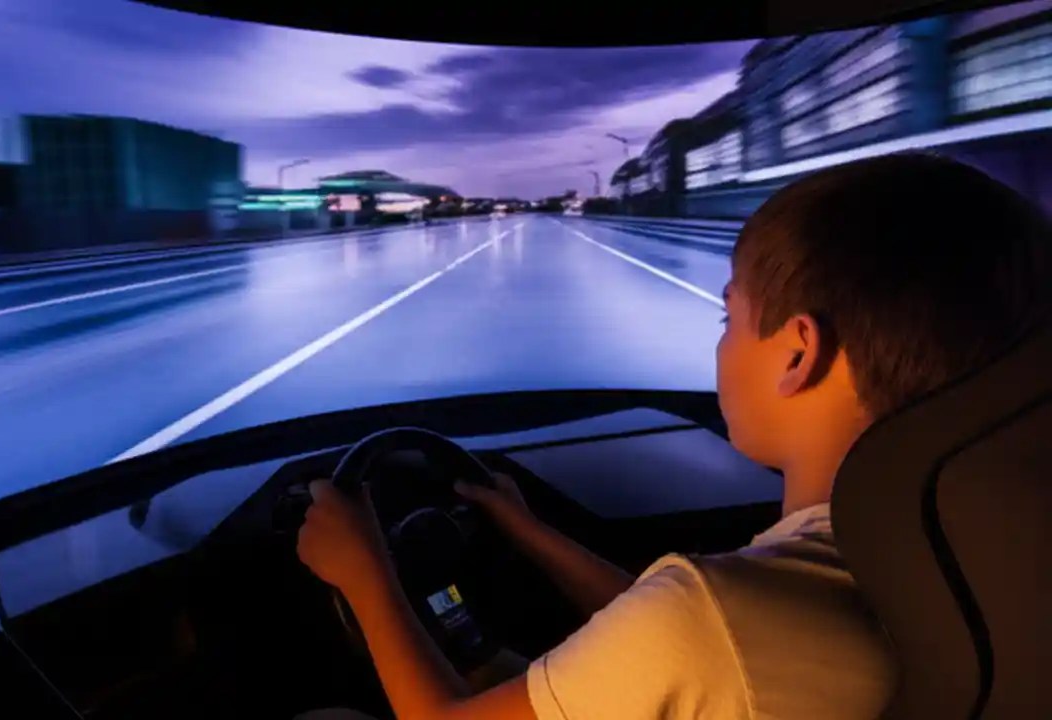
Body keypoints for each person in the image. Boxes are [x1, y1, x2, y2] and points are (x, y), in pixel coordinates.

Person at [295, 153, 1052, 720]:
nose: (720, 345)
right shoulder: (918, 550)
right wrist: (526, 530)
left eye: (729, 318)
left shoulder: (720, 607)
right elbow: (689, 625)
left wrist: (363, 572)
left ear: (797, 352)